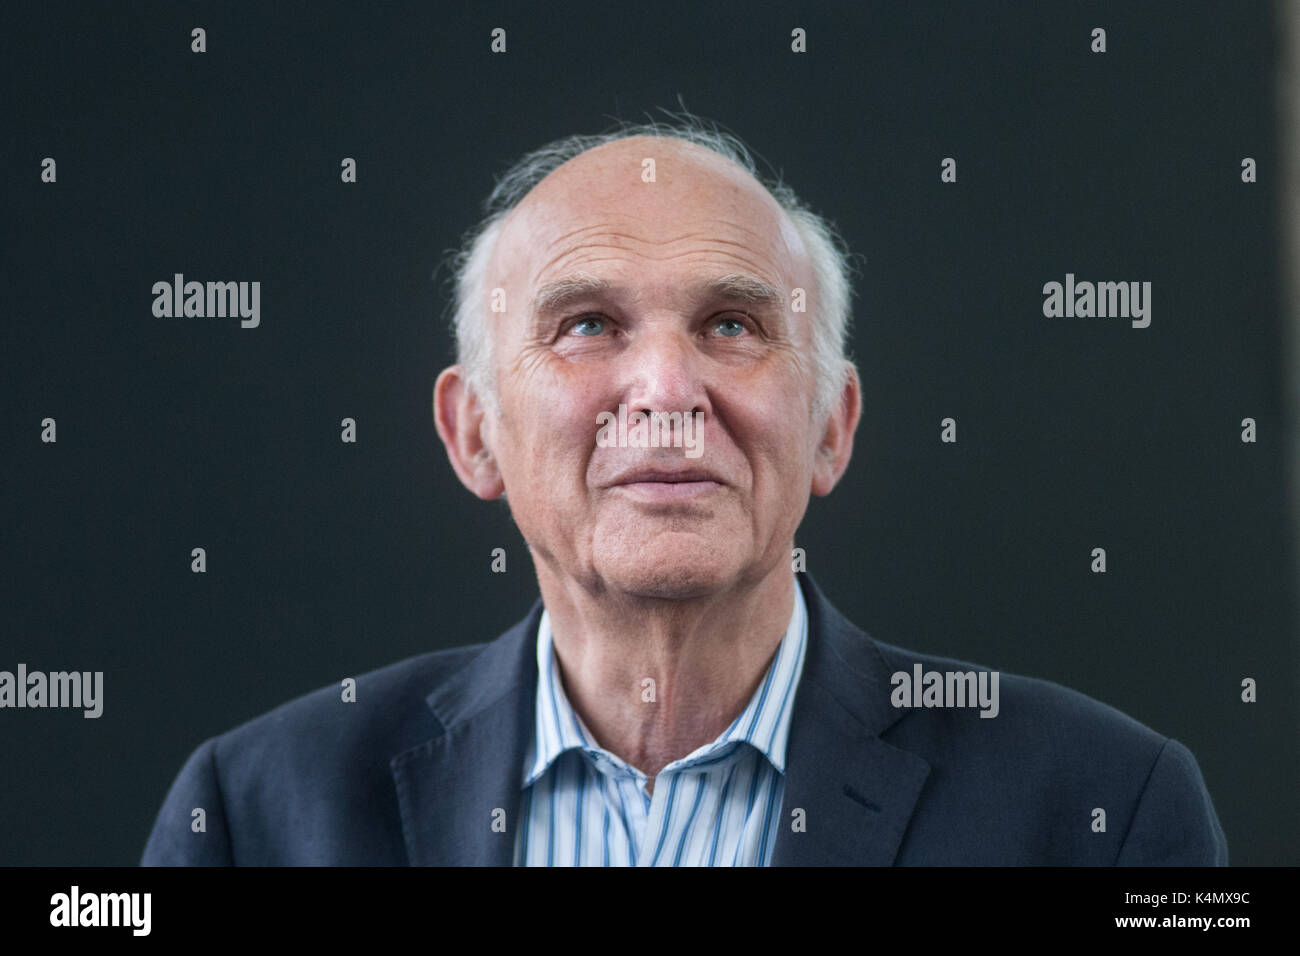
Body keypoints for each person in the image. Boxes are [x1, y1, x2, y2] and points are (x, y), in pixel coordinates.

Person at [142, 119, 1227, 865]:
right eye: (586, 325)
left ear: (830, 428)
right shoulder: (255, 814)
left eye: (732, 325)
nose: (666, 389)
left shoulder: (1105, 808)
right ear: (474, 432)